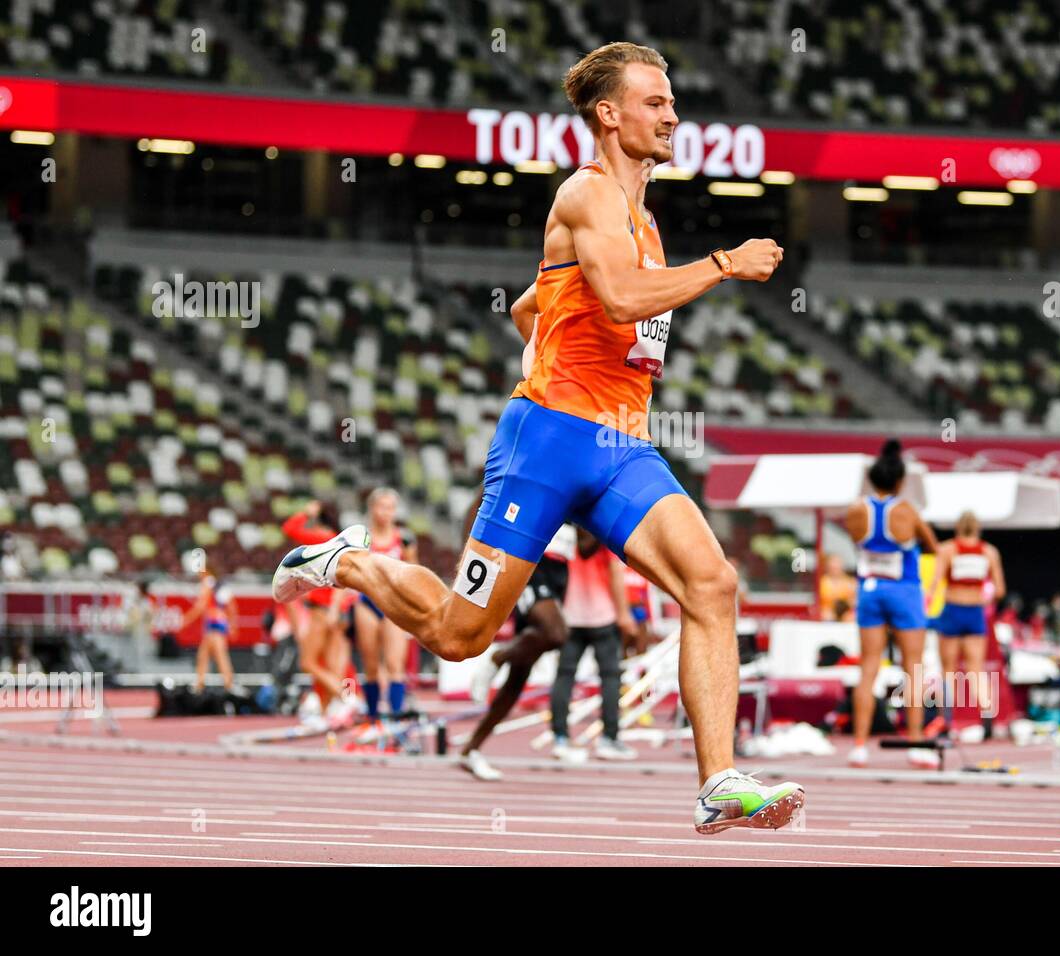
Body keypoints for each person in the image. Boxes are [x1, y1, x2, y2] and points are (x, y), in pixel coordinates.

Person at [273, 41, 802, 832]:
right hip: (548, 441)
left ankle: (717, 779)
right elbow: (621, 299)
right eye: (654, 102)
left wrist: (550, 338)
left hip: (622, 443)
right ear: (609, 114)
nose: (672, 114)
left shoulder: (644, 221)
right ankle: (342, 561)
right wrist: (725, 263)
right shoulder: (586, 194)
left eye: (671, 101)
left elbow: (534, 306)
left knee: (712, 584)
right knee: (460, 635)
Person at [843, 439, 939, 769]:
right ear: (900, 481)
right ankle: (914, 743)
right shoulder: (906, 510)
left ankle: (858, 745)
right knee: (913, 668)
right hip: (904, 590)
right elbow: (931, 546)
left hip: (870, 589)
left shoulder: (856, 510)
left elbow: (857, 540)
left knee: (868, 668)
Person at [459, 517, 577, 781]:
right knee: (556, 633)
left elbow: (590, 544)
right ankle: (498, 657)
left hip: (560, 567)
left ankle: (471, 749)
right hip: (532, 563)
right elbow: (482, 506)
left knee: (517, 678)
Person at [551, 530, 640, 762]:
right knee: (610, 678)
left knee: (564, 676)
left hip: (571, 616)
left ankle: (560, 738)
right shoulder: (605, 536)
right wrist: (623, 614)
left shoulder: (567, 536)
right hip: (603, 616)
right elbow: (615, 575)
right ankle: (609, 739)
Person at [928, 511, 1005, 741]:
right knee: (975, 669)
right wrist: (985, 599)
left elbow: (934, 585)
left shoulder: (947, 549)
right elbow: (999, 590)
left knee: (948, 670)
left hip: (953, 609)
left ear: (957, 528)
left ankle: (946, 719)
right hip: (975, 612)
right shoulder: (989, 552)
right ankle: (988, 712)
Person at [281, 502, 357, 728]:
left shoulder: (322, 539)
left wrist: (305, 512)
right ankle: (327, 713)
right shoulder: (341, 543)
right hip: (339, 612)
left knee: (308, 663)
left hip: (324, 612)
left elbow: (289, 529)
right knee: (333, 667)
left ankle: (348, 699)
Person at [353, 488, 417, 731]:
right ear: (372, 508)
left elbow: (414, 573)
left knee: (394, 665)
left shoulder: (404, 539)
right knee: (370, 666)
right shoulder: (361, 538)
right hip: (367, 603)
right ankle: (372, 718)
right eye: (382, 506)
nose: (386, 512)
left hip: (393, 605)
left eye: (391, 507)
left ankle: (396, 719)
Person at [178, 561, 236, 692]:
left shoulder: (208, 583)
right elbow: (232, 605)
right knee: (204, 654)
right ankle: (201, 683)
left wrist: (186, 620)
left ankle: (227, 683)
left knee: (218, 654)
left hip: (214, 624)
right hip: (218, 623)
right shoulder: (219, 584)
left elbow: (200, 606)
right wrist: (232, 624)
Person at [819, 553, 857, 623]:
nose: (835, 566)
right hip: (826, 620)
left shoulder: (851, 583)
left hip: (846, 620)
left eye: (837, 564)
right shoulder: (821, 583)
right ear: (827, 566)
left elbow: (855, 603)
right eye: (832, 564)